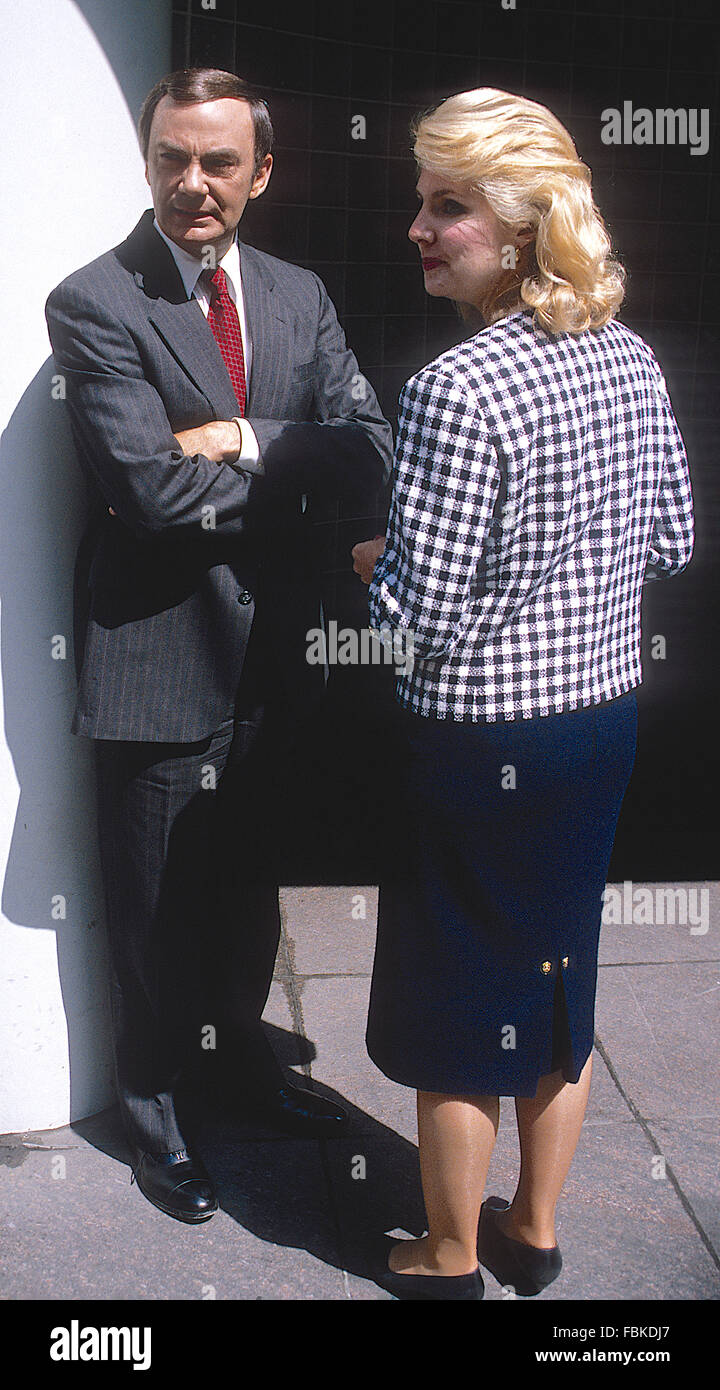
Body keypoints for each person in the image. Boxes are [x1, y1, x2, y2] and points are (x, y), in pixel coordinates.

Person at [353, 87, 694, 1300]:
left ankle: (448, 1254)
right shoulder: (631, 353)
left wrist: (376, 564)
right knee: (555, 980)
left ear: (520, 225)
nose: (419, 229)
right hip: (599, 726)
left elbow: (419, 614)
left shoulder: (460, 386)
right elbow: (674, 538)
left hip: (480, 742)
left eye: (447, 207)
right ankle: (535, 1232)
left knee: (457, 1005)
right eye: (422, 202)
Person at [45, 67, 392, 1224]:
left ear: (262, 171)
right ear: (148, 163)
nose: (194, 184)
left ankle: (238, 1066)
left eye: (220, 162)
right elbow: (149, 492)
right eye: (172, 160)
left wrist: (243, 434)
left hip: (274, 664)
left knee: (248, 889)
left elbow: (373, 448)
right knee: (152, 911)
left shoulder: (297, 294)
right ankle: (155, 1117)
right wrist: (297, 482)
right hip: (156, 657)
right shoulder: (96, 302)